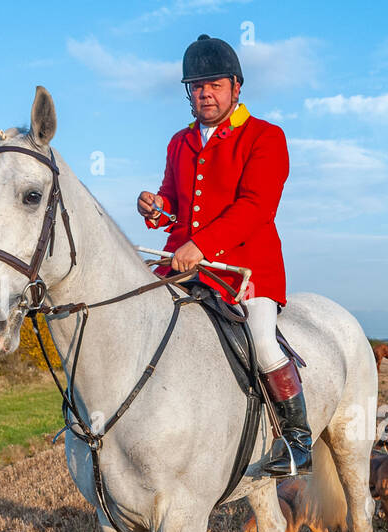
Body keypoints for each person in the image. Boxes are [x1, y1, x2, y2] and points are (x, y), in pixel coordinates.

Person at [137, 34, 309, 475]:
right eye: (196, 86)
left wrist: (201, 245)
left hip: (244, 268)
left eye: (214, 84)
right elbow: (175, 204)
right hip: (181, 264)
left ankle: (297, 440)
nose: (204, 93)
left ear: (236, 86)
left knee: (263, 342)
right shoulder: (179, 142)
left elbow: (256, 207)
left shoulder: (265, 136)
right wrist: (156, 209)